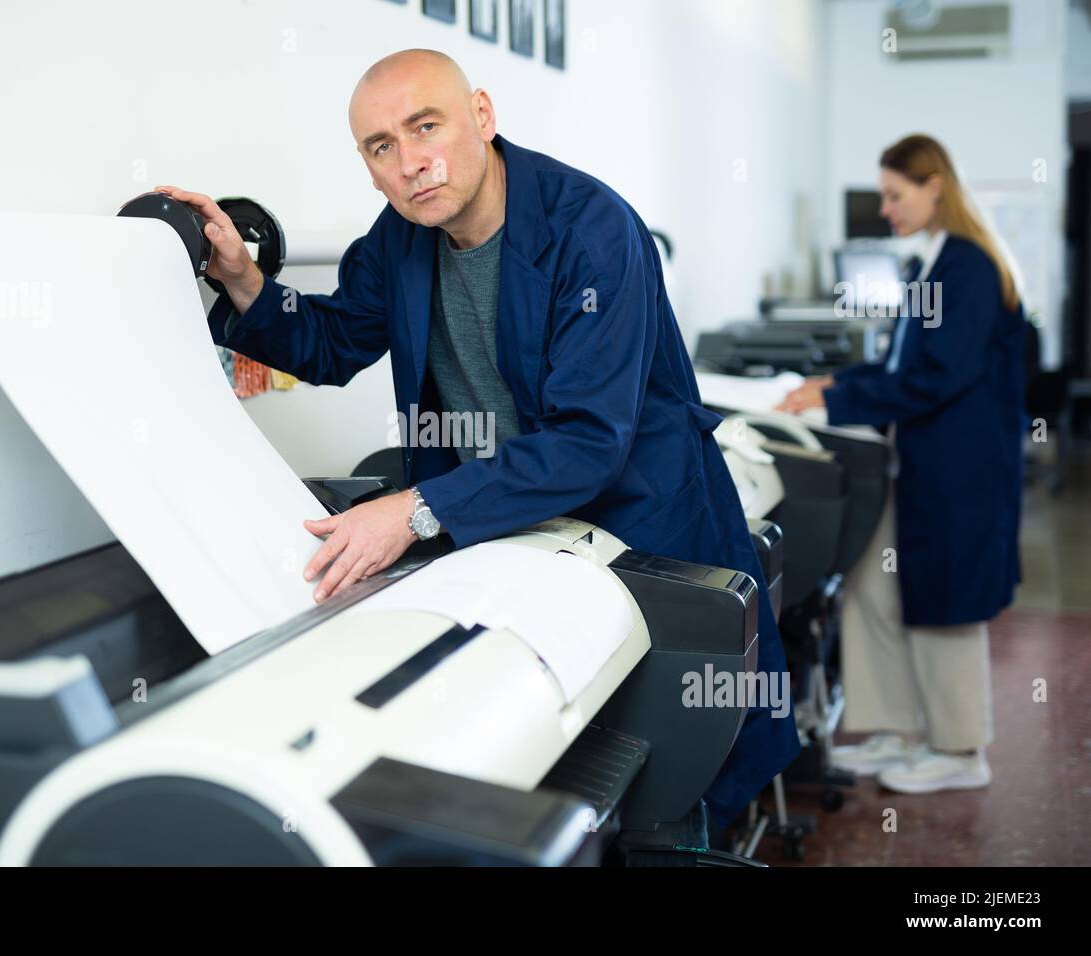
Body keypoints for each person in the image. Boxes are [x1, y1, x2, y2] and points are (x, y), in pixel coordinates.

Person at [158, 48, 798, 841]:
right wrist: (244, 279)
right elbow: (332, 341)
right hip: (514, 537)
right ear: (368, 167)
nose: (411, 163)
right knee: (548, 765)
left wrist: (416, 510)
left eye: (426, 127)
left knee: (659, 791)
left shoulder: (591, 231)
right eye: (381, 147)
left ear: (483, 118)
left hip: (637, 530)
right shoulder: (400, 239)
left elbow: (590, 441)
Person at [777, 134, 1025, 794]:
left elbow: (937, 377)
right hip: (914, 460)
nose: (885, 209)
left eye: (895, 194)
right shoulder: (929, 266)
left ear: (934, 186)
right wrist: (830, 385)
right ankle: (896, 729)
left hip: (958, 469)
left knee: (946, 601)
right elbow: (900, 366)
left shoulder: (967, 267)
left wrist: (837, 398)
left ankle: (961, 750)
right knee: (872, 583)